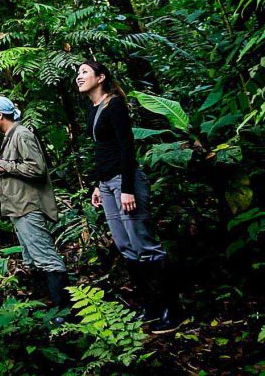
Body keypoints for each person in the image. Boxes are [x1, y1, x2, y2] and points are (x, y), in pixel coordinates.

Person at [76, 60, 182, 333]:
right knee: (125, 246)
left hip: (125, 181)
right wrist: (99, 185)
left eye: (84, 72)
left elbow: (126, 147)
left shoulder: (115, 105)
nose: (79, 77)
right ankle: (151, 306)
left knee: (144, 244)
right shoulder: (93, 109)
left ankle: (173, 309)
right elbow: (103, 150)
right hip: (108, 184)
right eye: (78, 73)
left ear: (100, 78)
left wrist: (127, 188)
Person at [0, 96, 70, 321]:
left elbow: (37, 169)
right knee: (32, 259)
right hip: (18, 208)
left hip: (29, 207)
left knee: (47, 258)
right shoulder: (10, 137)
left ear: (0, 116)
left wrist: (4, 165)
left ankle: (65, 314)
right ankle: (47, 310)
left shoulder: (21, 134)